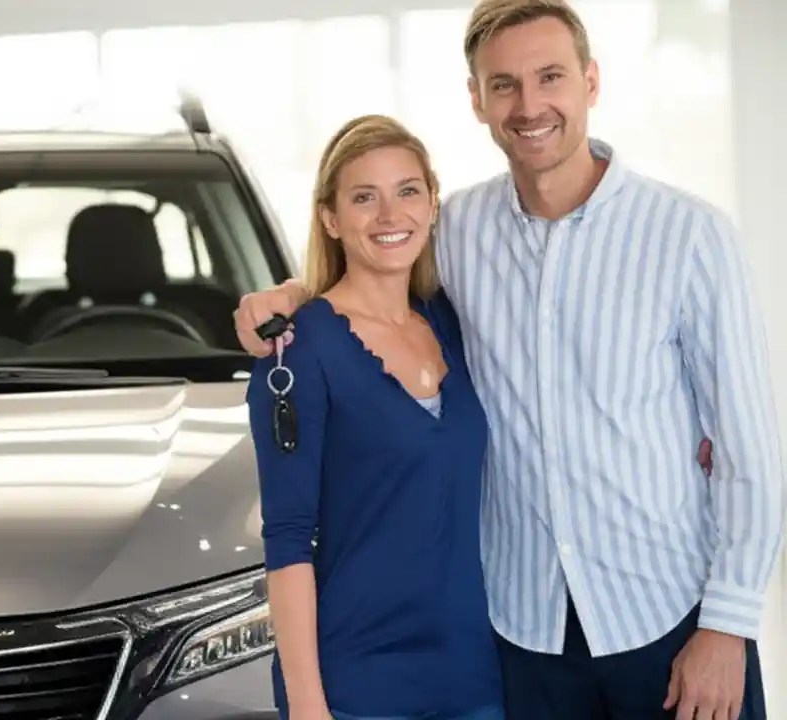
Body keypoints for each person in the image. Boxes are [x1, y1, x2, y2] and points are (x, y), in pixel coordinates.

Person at [236, 1, 785, 719]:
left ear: (590, 81)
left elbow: (750, 452)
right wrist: (290, 295)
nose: (529, 106)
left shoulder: (688, 237)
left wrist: (728, 624)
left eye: (550, 76)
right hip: (523, 645)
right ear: (477, 100)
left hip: (671, 625)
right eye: (504, 85)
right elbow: (374, 264)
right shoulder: (460, 231)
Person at [249, 114, 504, 720]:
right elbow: (286, 543)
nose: (391, 217)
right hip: (358, 684)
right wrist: (309, 706)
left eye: (408, 191)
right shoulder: (298, 352)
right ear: (331, 218)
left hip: (472, 678)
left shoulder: (454, 324)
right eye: (365, 197)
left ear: (433, 202)